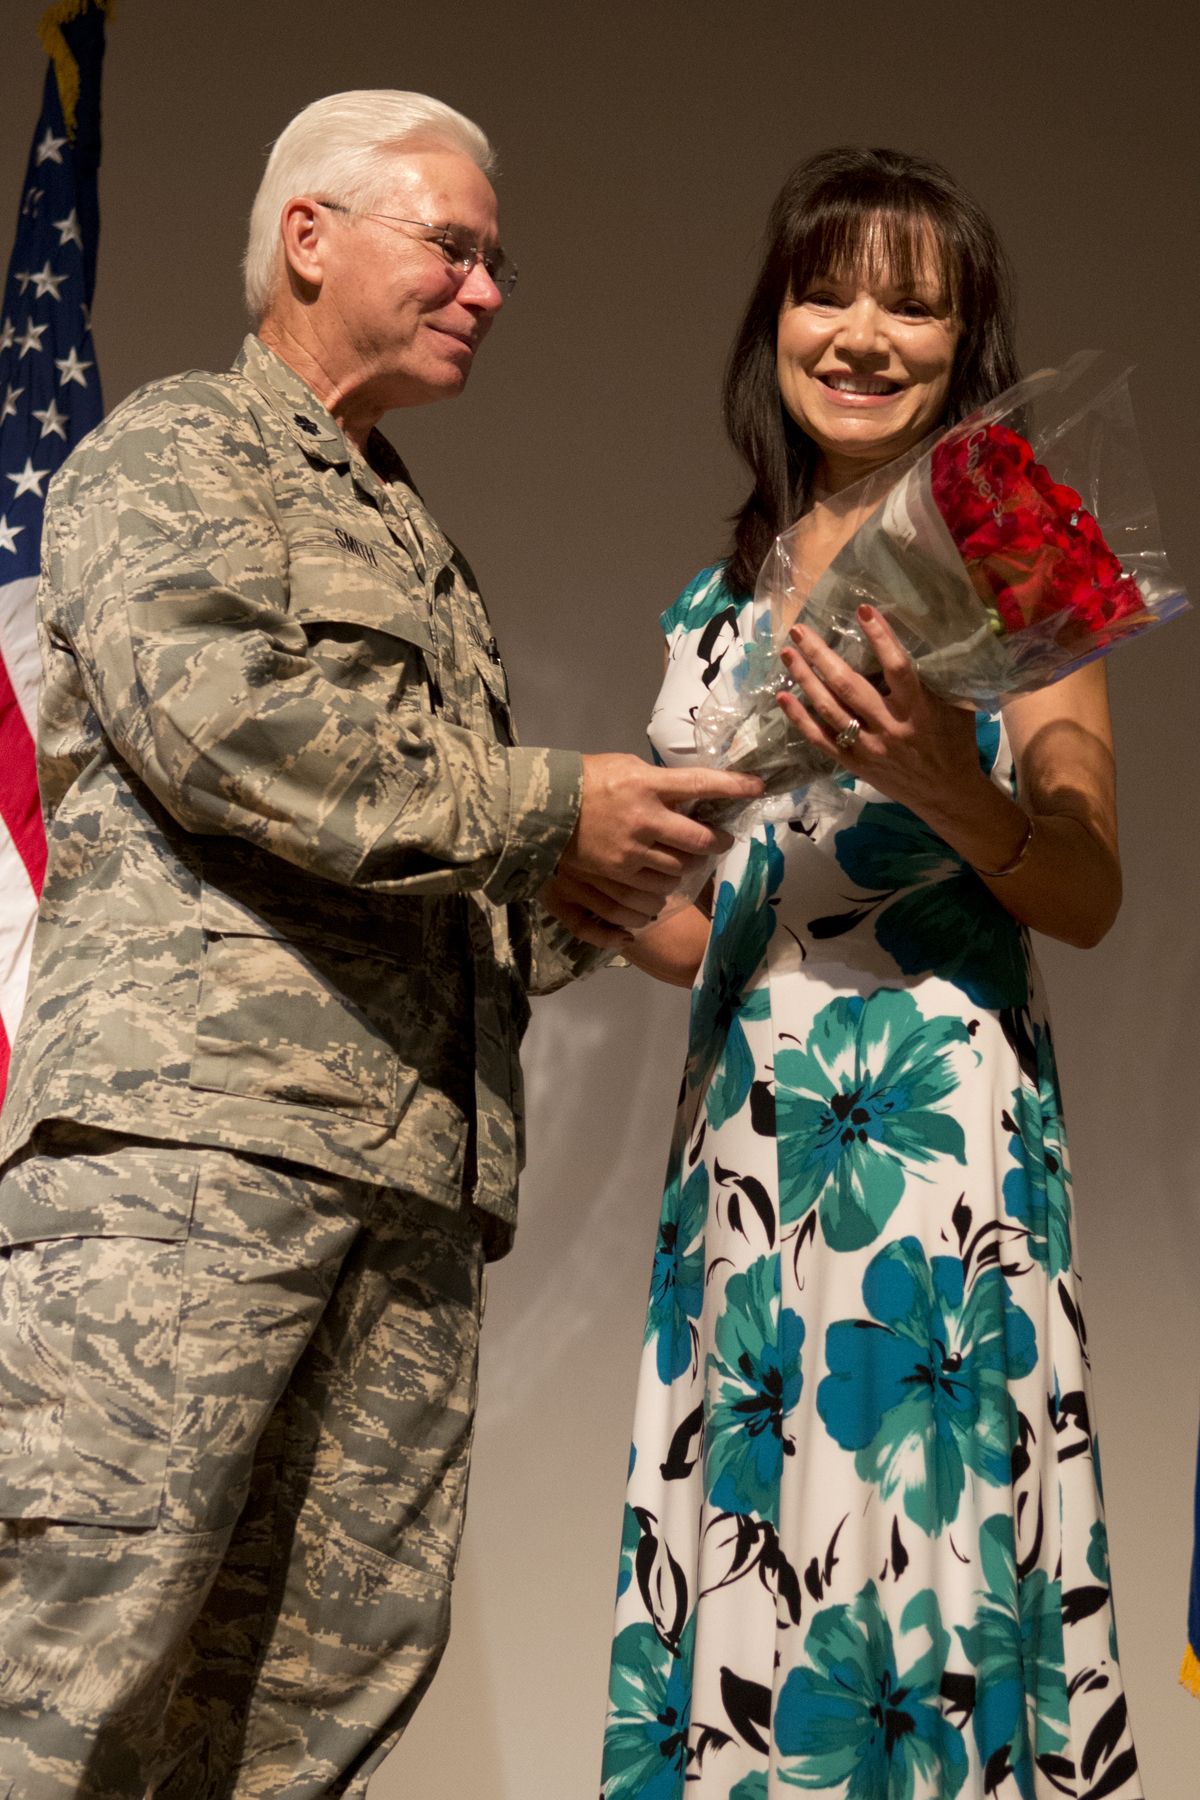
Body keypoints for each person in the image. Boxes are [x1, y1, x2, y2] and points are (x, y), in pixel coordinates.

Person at [0, 90, 757, 1799]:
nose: (488, 288)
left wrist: (633, 870)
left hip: (411, 1203)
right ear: (309, 238)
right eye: (456, 246)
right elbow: (227, 735)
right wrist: (562, 807)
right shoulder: (174, 454)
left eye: (499, 260)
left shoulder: (419, 542)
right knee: (73, 1663)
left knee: (309, 1716)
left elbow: (438, 871)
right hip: (195, 1169)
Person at [601, 148, 1142, 1799]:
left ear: (965, 338)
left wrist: (946, 780)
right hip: (748, 1164)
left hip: (925, 1161)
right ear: (773, 319)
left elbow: (1088, 885)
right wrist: (581, 891)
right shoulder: (709, 602)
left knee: (917, 1568)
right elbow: (732, 930)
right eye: (827, 289)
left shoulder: (1018, 548)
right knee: (760, 1566)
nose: (861, 333)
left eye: (913, 303)